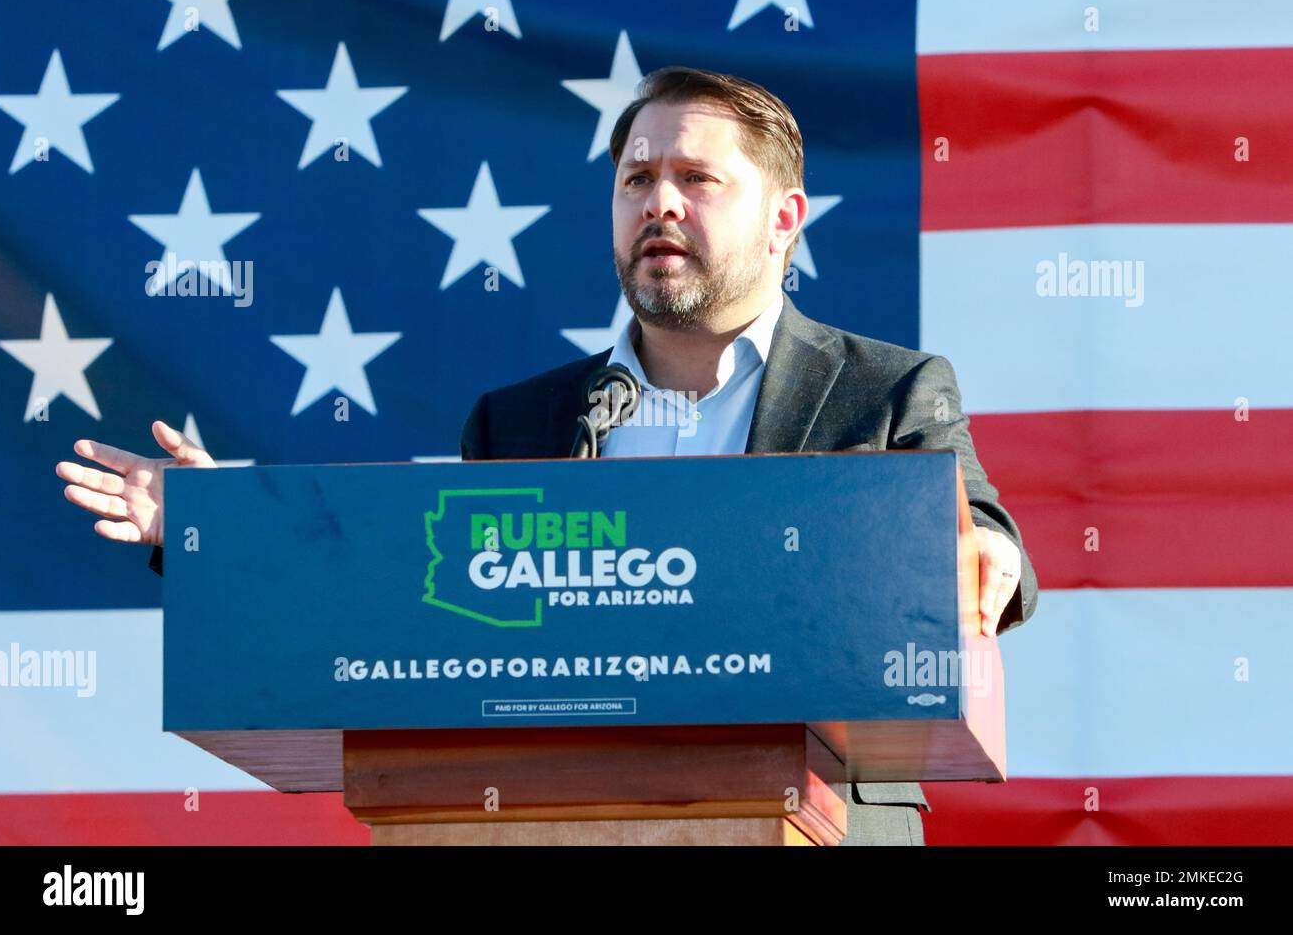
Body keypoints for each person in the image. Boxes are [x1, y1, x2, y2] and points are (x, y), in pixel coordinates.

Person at [55, 66, 1038, 846]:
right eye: (637, 179)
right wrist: (229, 534)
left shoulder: (887, 390)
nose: (660, 203)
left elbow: (985, 538)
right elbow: (416, 606)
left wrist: (981, 555)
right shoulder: (520, 422)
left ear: (784, 220)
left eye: (696, 179)